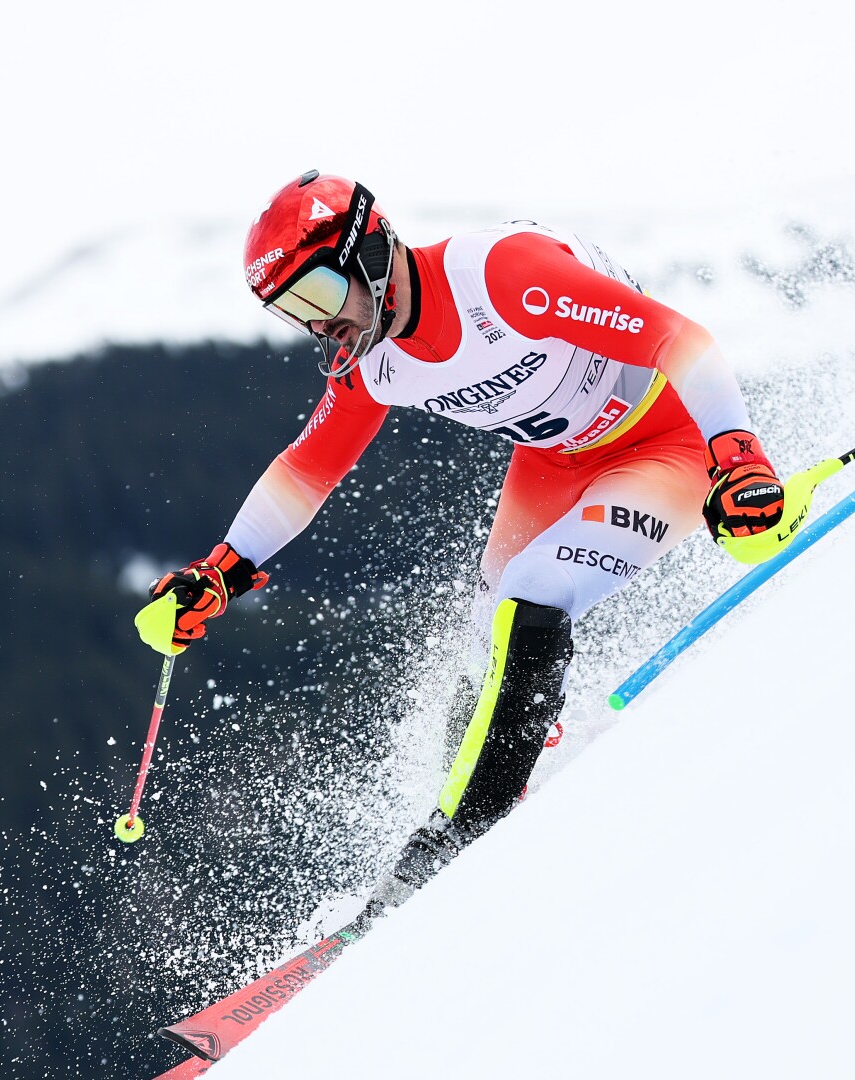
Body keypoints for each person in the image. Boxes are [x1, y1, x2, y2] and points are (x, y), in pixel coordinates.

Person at [136, 170, 795, 933]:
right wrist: (223, 568)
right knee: (489, 646)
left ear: (369, 250)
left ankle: (461, 836)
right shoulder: (374, 359)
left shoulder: (505, 278)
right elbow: (306, 468)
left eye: (316, 297)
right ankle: (495, 781)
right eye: (291, 313)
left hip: (670, 439)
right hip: (556, 460)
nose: (318, 328)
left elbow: (685, 341)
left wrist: (737, 454)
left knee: (532, 595)